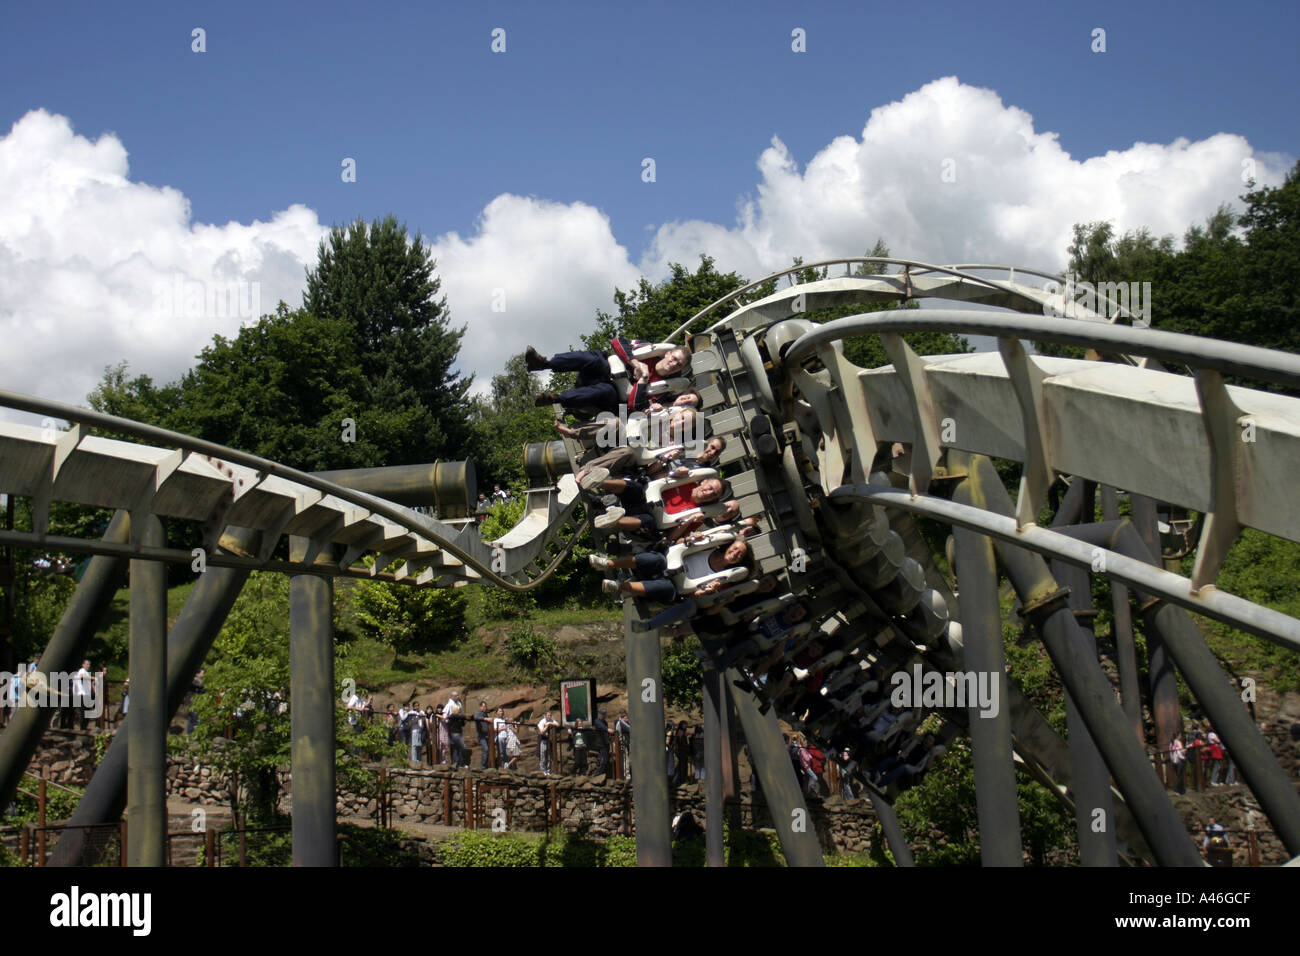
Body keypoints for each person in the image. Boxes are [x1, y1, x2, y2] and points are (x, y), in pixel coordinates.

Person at [444, 691, 467, 766]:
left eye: (457, 695)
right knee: (460, 746)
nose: (457, 697)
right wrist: (448, 721)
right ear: (452, 696)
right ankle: (458, 763)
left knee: (456, 748)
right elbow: (445, 715)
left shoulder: (459, 704)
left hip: (459, 729)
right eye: (455, 696)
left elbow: (461, 715)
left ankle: (456, 763)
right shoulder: (449, 704)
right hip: (452, 730)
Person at [537, 711, 560, 775]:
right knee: (543, 755)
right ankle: (543, 770)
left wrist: (550, 723)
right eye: (548, 715)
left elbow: (557, 725)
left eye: (550, 715)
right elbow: (542, 732)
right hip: (543, 740)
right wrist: (547, 726)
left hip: (550, 741)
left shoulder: (552, 720)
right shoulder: (542, 721)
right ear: (545, 716)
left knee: (549, 756)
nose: (549, 717)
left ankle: (548, 770)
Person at [592, 708, 612, 775]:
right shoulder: (597, 721)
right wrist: (607, 729)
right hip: (601, 744)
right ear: (599, 714)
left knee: (606, 758)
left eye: (604, 714)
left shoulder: (605, 722)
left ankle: (603, 773)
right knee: (603, 759)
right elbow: (602, 727)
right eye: (602, 714)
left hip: (606, 743)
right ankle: (598, 773)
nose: (603, 715)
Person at [474, 700, 492, 768]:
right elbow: (476, 718)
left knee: (488, 750)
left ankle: (487, 764)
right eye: (483, 706)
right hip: (481, 735)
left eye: (485, 706)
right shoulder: (478, 713)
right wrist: (485, 719)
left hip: (487, 735)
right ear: (480, 707)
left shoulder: (486, 714)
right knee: (486, 749)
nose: (484, 708)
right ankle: (483, 766)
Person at [615, 712, 631, 778]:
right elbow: (630, 729)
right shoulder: (621, 723)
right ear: (622, 718)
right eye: (626, 718)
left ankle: (624, 775)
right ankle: (626, 776)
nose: (627, 719)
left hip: (624, 743)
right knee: (625, 759)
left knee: (624, 759)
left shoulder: (621, 722)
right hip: (622, 744)